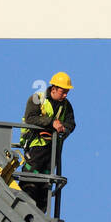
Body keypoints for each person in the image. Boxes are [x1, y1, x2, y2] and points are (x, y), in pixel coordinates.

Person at [20, 72, 75, 210]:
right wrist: (51, 123)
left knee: (46, 182)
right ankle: (26, 207)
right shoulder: (37, 98)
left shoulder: (66, 105)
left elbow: (71, 124)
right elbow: (30, 118)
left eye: (67, 92)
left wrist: (63, 129)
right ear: (54, 88)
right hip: (36, 145)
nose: (65, 95)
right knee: (31, 178)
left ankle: (40, 210)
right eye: (63, 91)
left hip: (53, 148)